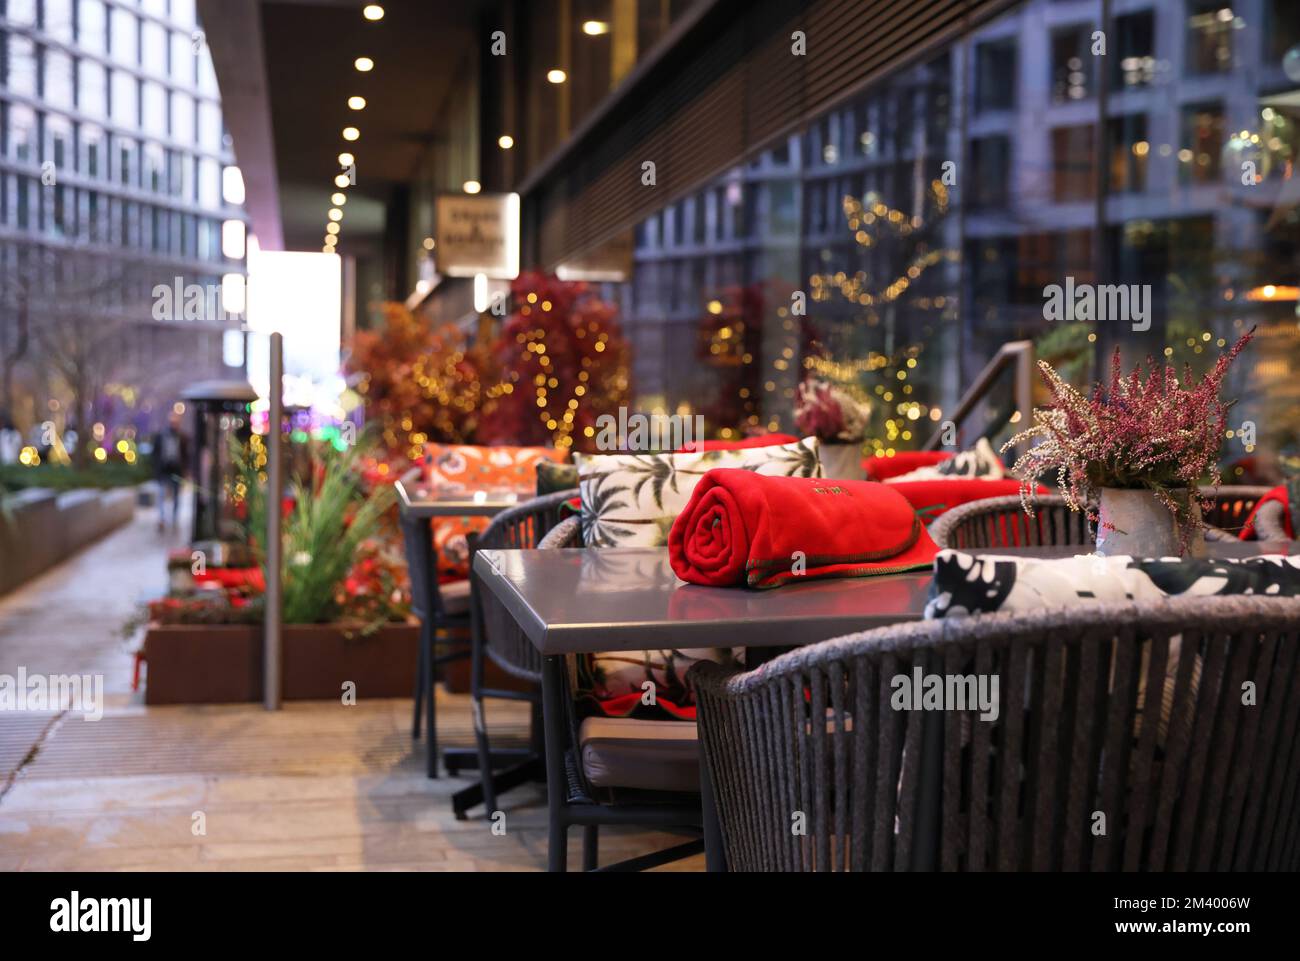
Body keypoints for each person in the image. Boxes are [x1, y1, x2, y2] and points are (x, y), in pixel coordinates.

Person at [153, 410, 190, 532]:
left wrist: (185, 471)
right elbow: (155, 454)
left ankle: (174, 518)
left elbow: (186, 455)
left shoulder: (183, 437)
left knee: (176, 497)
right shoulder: (161, 436)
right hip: (164, 470)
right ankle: (162, 519)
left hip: (177, 470)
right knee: (162, 495)